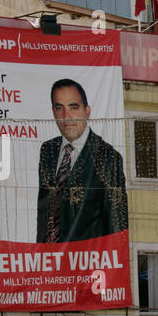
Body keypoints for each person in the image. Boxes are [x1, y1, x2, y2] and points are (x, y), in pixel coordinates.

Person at [35, 78, 128, 243]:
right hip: (50, 256)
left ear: (87, 111)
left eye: (73, 107)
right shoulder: (48, 150)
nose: (66, 116)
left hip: (88, 256)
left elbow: (117, 226)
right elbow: (44, 212)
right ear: (53, 112)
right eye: (59, 108)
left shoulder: (108, 157)